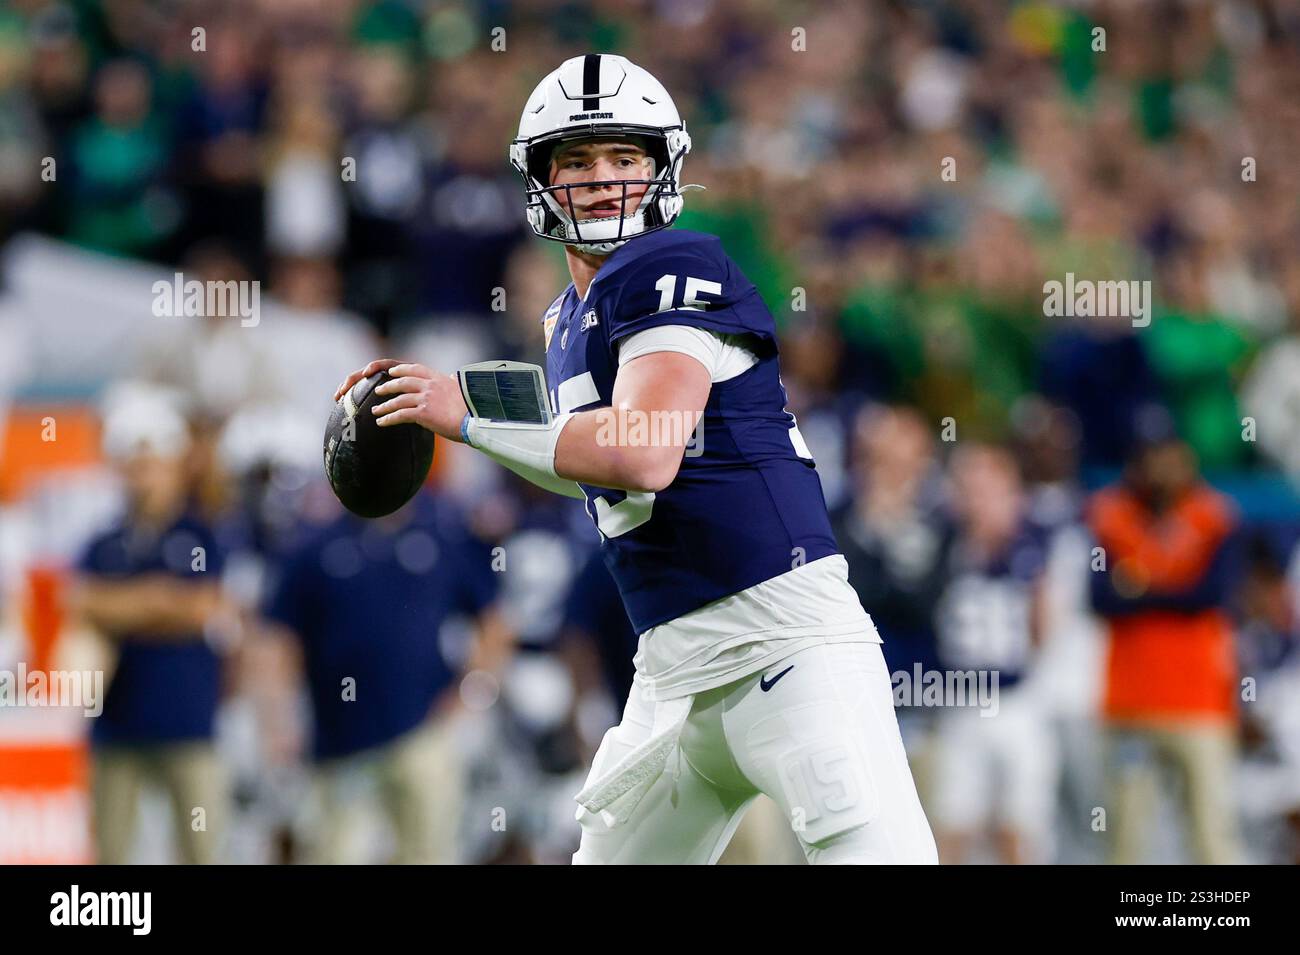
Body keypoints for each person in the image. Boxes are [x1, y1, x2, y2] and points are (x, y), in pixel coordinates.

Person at [334, 54, 935, 864]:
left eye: (625, 157)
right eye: (577, 160)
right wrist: (426, 396)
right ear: (540, 180)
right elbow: (583, 453)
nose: (603, 177)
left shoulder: (672, 265)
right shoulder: (566, 314)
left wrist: (468, 413)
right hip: (670, 673)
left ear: (663, 169)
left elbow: (646, 451)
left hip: (785, 645)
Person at [262, 488, 509, 864]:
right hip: (339, 740)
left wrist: (472, 693)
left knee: (429, 852)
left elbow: (495, 623)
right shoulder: (315, 547)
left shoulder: (440, 538)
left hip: (423, 730)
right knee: (337, 853)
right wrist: (280, 718)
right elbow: (278, 640)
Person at [68, 383, 231, 864]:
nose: (143, 476)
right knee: (112, 854)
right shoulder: (104, 540)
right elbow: (78, 602)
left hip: (188, 721)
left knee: (202, 849)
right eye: (133, 465)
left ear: (175, 464)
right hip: (117, 726)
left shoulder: (200, 531)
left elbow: (203, 607)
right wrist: (159, 600)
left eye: (152, 463)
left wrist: (119, 608)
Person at [1088, 421, 1243, 864]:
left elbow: (1211, 595)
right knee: (1125, 840)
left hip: (1200, 702)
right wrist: (1171, 585)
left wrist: (1140, 585)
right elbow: (1101, 599)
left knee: (1213, 835)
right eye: (1152, 456)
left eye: (1170, 455)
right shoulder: (1111, 512)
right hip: (1130, 704)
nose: (1162, 467)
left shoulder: (1214, 515)